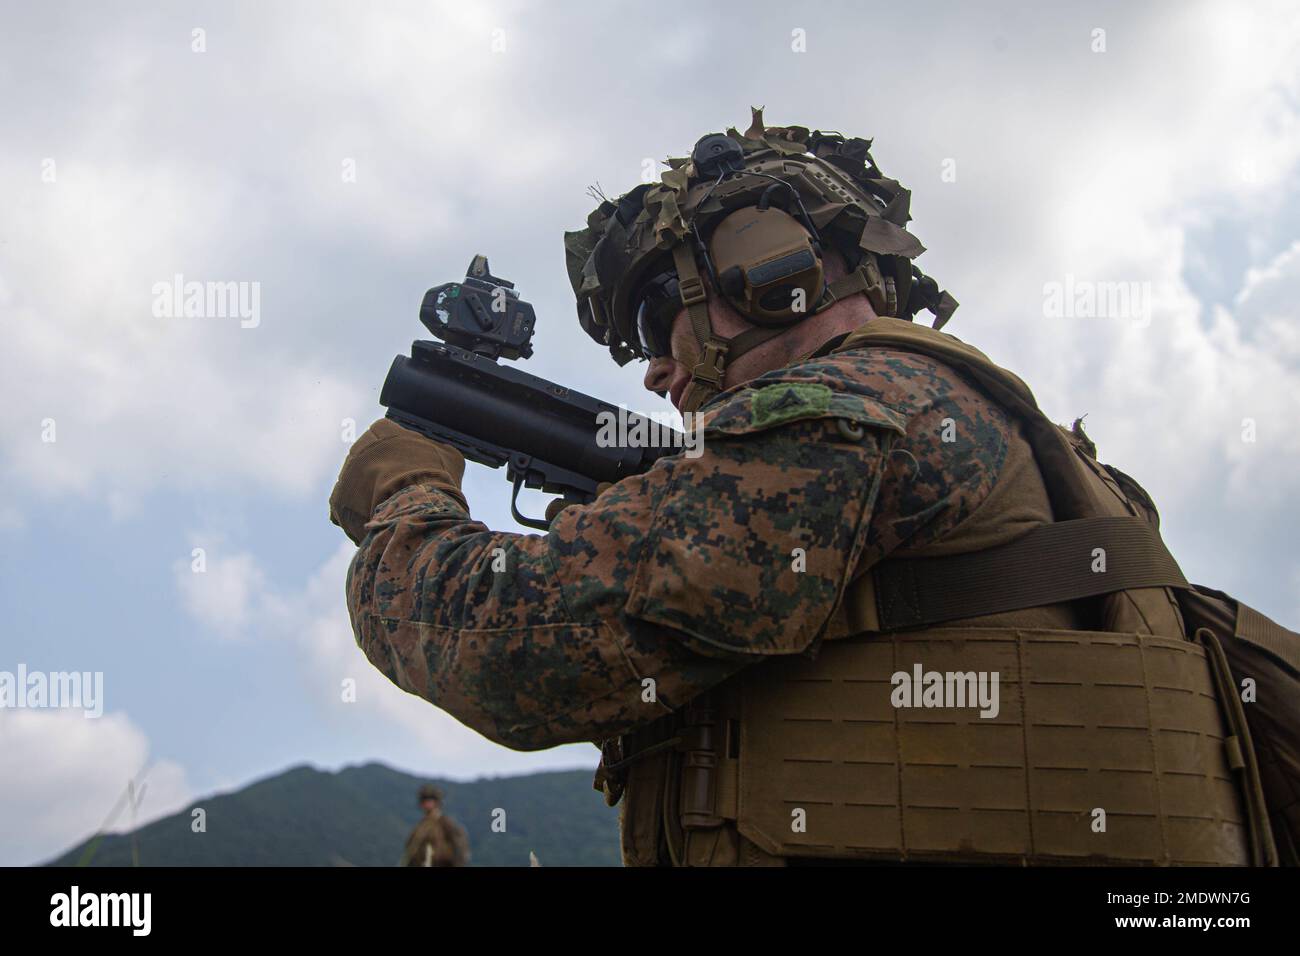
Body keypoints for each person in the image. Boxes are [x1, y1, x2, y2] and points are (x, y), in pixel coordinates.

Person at [331, 109, 1270, 866]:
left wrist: (404, 498)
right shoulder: (1031, 445)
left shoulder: (846, 420)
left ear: (767, 263)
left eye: (663, 318)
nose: (657, 372)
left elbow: (514, 653)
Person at [399, 784, 470, 867]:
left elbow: (461, 847)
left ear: (437, 802)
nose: (427, 803)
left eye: (430, 800)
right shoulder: (419, 828)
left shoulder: (445, 823)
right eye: (424, 800)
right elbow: (410, 852)